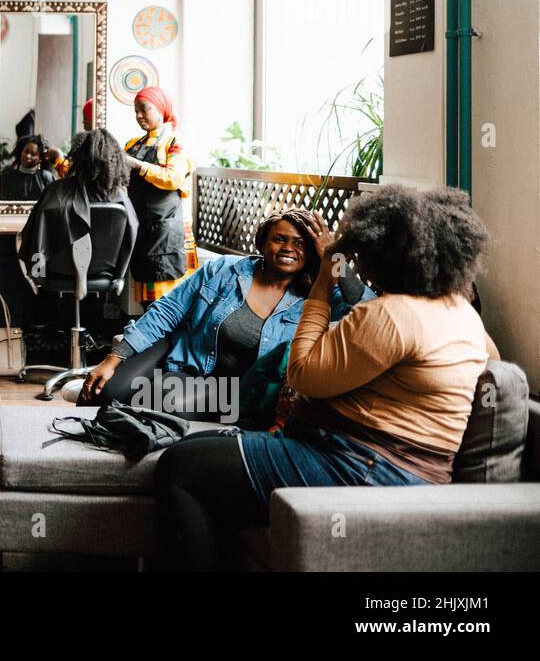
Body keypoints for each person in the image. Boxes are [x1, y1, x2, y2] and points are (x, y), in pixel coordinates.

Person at [153, 187, 498, 570]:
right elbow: (492, 361)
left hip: (361, 464)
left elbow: (301, 374)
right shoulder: (463, 315)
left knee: (178, 465)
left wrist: (323, 280)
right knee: (205, 452)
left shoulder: (389, 312)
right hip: (404, 466)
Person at [77, 208, 371, 416]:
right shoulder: (224, 269)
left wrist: (334, 259)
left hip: (238, 393)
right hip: (186, 361)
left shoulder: (319, 294)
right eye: (279, 239)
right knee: (101, 391)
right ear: (263, 242)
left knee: (163, 399)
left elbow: (369, 311)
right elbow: (168, 310)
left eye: (299, 243)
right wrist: (113, 358)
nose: (287, 248)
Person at [18, 128, 138, 305]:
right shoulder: (119, 197)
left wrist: (37, 274)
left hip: (55, 272)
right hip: (103, 273)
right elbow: (131, 234)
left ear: (76, 157)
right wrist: (119, 275)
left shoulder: (56, 190)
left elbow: (32, 237)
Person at [122, 86, 196, 304]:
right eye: (135, 110)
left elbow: (173, 178)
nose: (138, 115)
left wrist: (136, 164)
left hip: (167, 230)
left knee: (169, 303)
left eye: (144, 109)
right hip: (141, 229)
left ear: (161, 108)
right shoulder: (132, 144)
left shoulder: (175, 142)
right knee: (147, 303)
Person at [0, 134, 55, 201]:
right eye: (26, 152)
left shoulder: (46, 177)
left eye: (33, 154)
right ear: (21, 152)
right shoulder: (6, 178)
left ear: (40, 158)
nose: (28, 156)